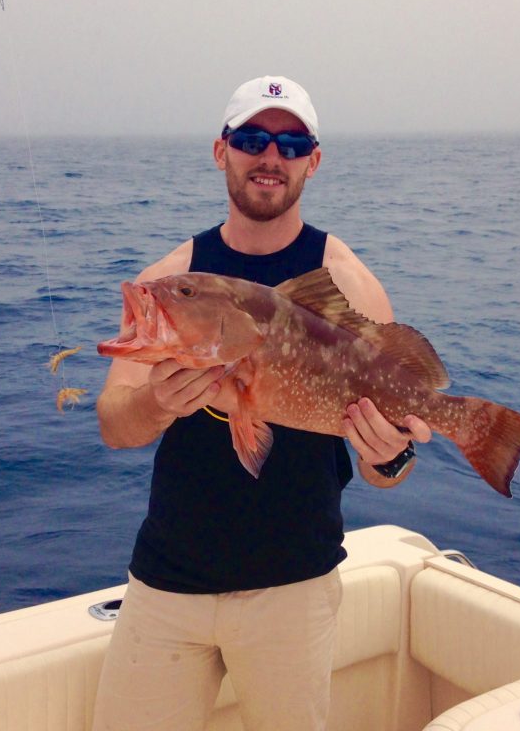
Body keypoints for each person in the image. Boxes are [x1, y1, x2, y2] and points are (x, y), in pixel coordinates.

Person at [93, 75, 431, 731]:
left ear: (313, 159)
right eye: (251, 138)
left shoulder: (350, 283)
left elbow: (392, 460)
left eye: (290, 141)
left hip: (295, 590)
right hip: (167, 582)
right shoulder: (170, 285)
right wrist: (159, 404)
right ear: (222, 151)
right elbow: (114, 423)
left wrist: (389, 456)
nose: (269, 155)